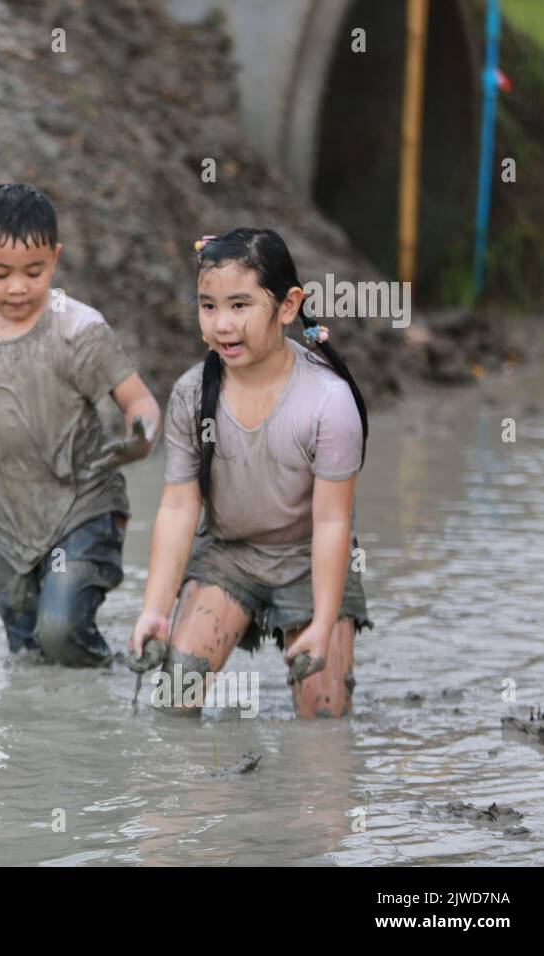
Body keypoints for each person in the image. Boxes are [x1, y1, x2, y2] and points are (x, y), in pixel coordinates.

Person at [129, 228, 371, 718]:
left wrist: (323, 623)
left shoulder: (329, 401)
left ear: (287, 306)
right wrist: (154, 610)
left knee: (323, 721)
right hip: (230, 554)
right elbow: (178, 508)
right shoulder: (192, 395)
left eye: (240, 305)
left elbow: (330, 523)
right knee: (174, 702)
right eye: (209, 306)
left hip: (308, 557)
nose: (222, 325)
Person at [0, 183, 161, 666]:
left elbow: (142, 404)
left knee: (60, 630)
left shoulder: (78, 330)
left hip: (83, 508)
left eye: (34, 271)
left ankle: (105, 675)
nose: (17, 287)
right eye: (0, 273)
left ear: (54, 258)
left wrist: (140, 439)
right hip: (11, 522)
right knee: (26, 651)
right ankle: (44, 732)